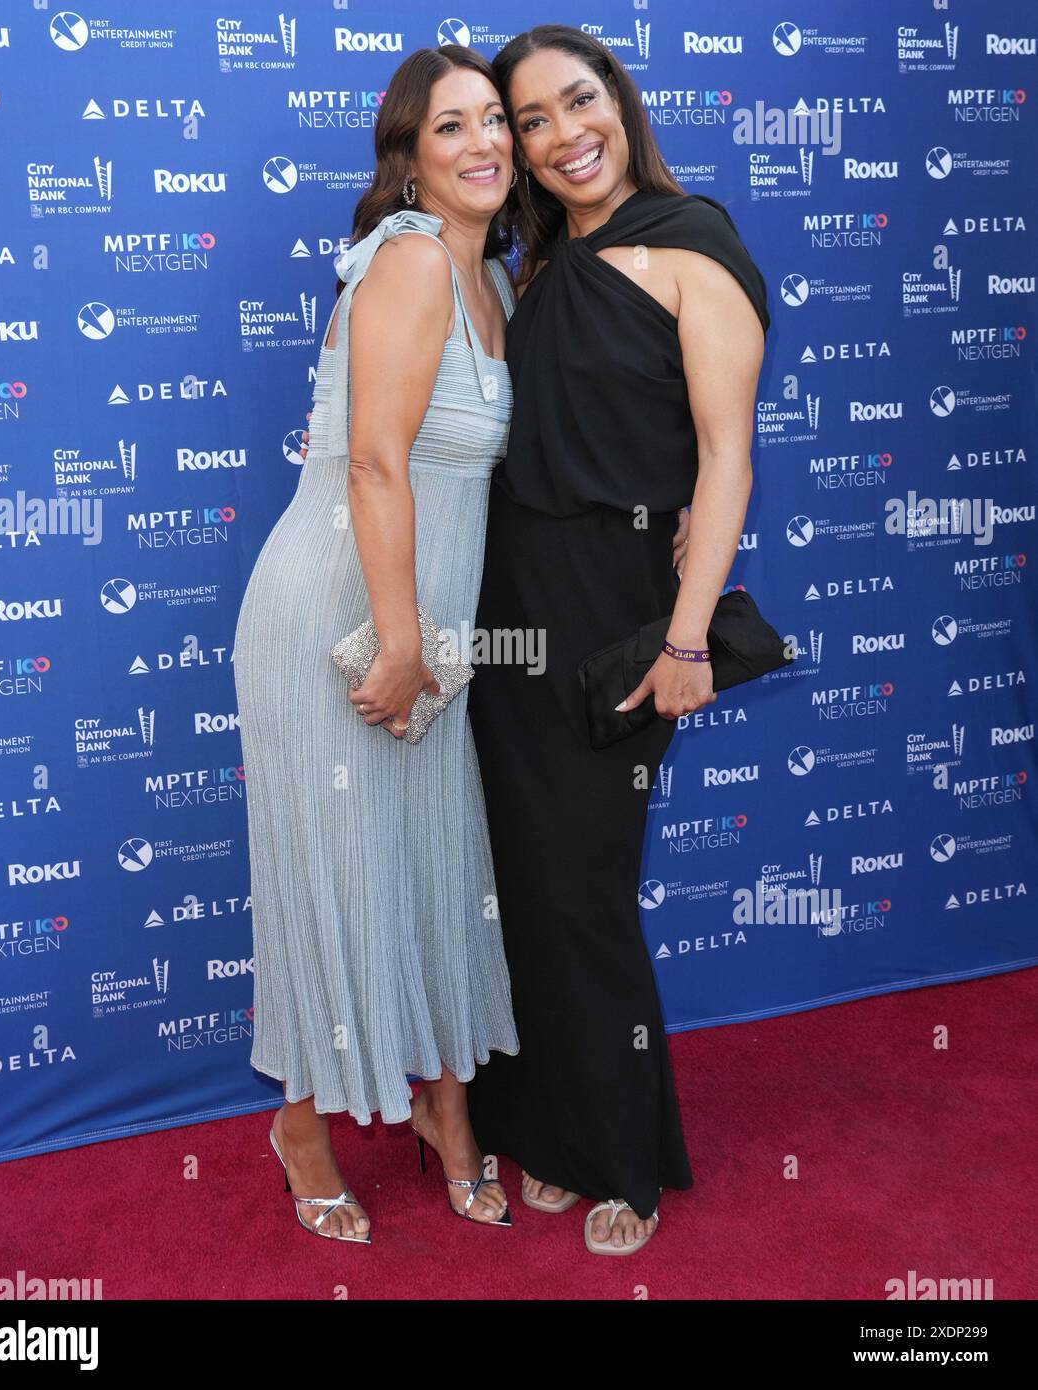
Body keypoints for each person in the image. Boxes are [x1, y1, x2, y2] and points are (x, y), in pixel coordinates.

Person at [464, 25, 769, 1254]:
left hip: (623, 603)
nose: (556, 134)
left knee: (587, 888)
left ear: (617, 102)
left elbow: (726, 456)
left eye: (573, 101)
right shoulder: (534, 266)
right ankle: (541, 1127)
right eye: (527, 121)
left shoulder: (696, 244)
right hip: (508, 604)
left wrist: (687, 638)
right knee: (521, 884)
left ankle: (625, 1163)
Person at [232, 45, 521, 1242]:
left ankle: (445, 1113)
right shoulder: (408, 263)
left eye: (495, 119)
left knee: (432, 867)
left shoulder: (488, 280)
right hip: (339, 615)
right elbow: (371, 461)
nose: (485, 144)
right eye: (449, 128)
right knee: (335, 869)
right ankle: (301, 1122)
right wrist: (398, 646)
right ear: (406, 160)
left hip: (426, 628)